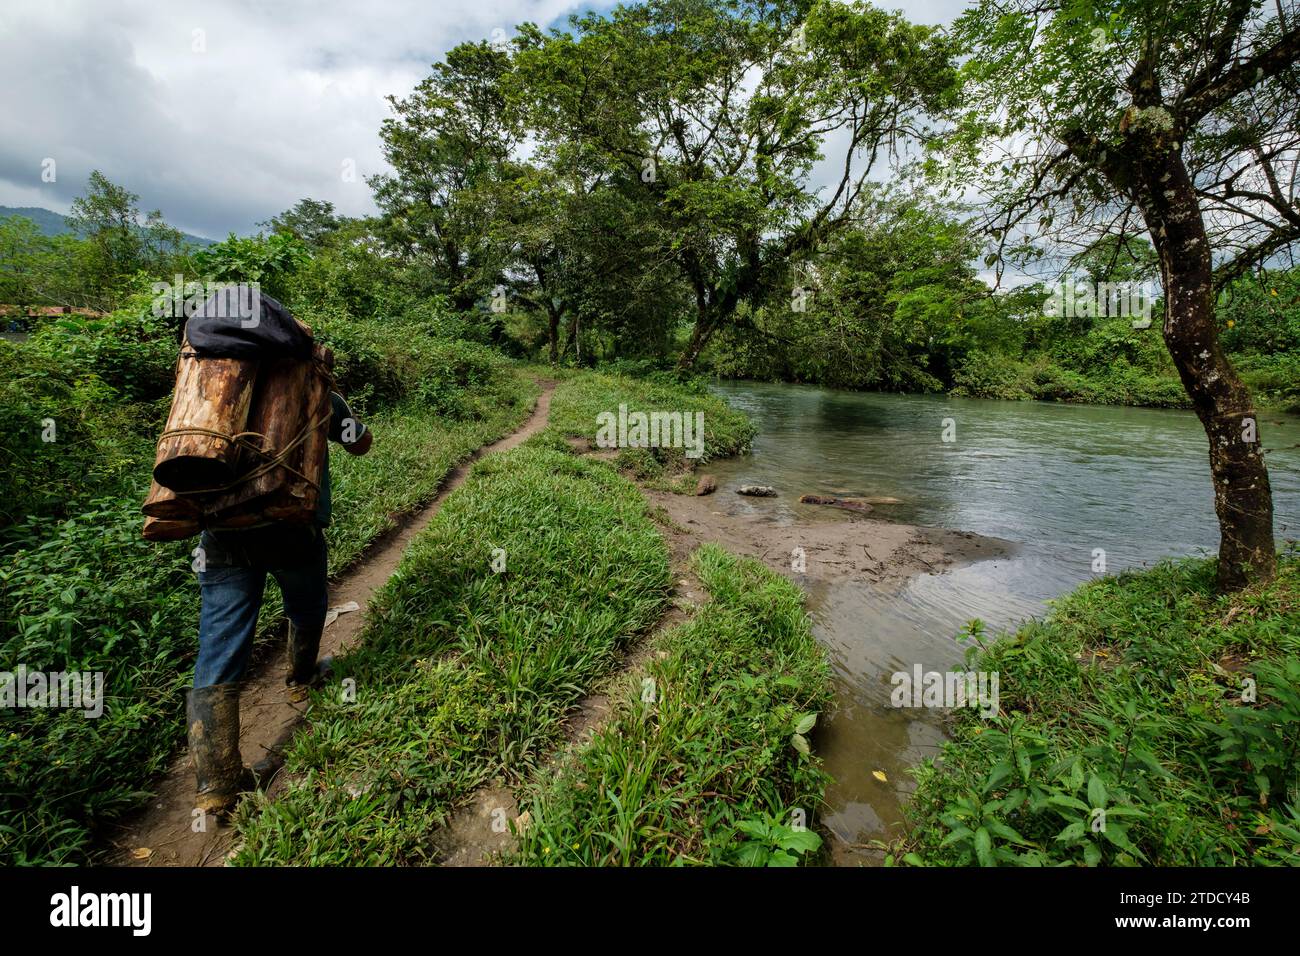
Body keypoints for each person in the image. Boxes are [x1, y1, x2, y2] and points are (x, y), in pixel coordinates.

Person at [186, 390, 372, 815]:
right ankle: (300, 678)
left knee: (218, 646)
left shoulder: (210, 384)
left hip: (221, 533)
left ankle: (215, 784)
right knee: (307, 604)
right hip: (289, 530)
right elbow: (358, 443)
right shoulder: (312, 386)